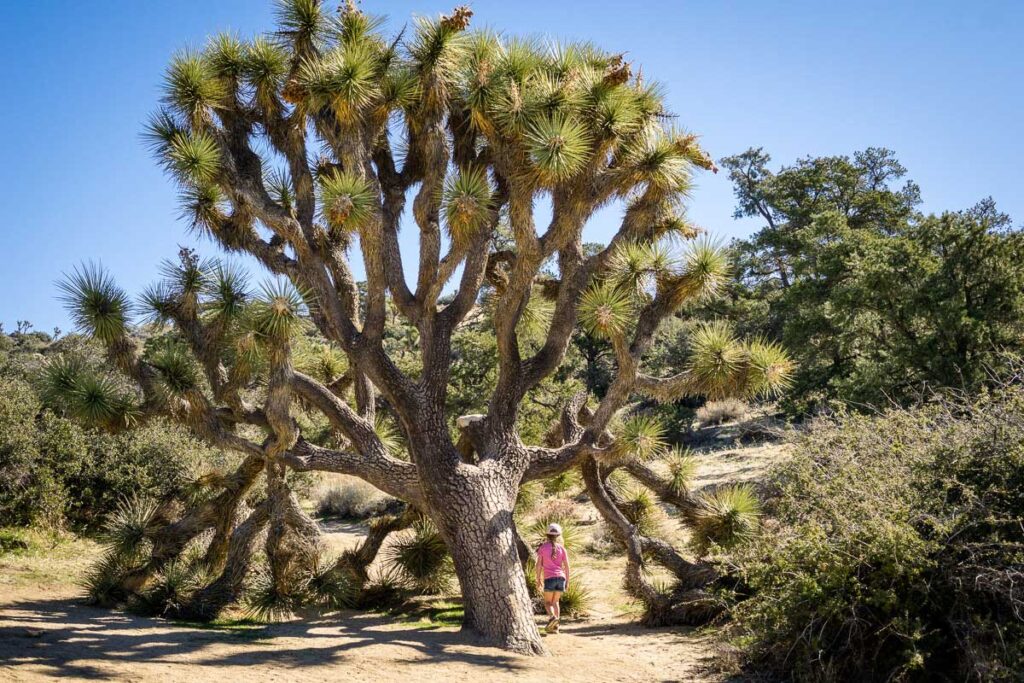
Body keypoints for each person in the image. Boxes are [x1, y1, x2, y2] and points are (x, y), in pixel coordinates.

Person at [535, 522, 570, 634]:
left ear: (547, 535)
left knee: (547, 602)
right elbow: (567, 566)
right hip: (561, 577)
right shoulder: (562, 549)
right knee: (555, 602)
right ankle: (556, 628)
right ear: (558, 536)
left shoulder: (543, 548)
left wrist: (538, 578)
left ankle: (552, 618)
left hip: (549, 578)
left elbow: (539, 564)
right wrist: (567, 581)